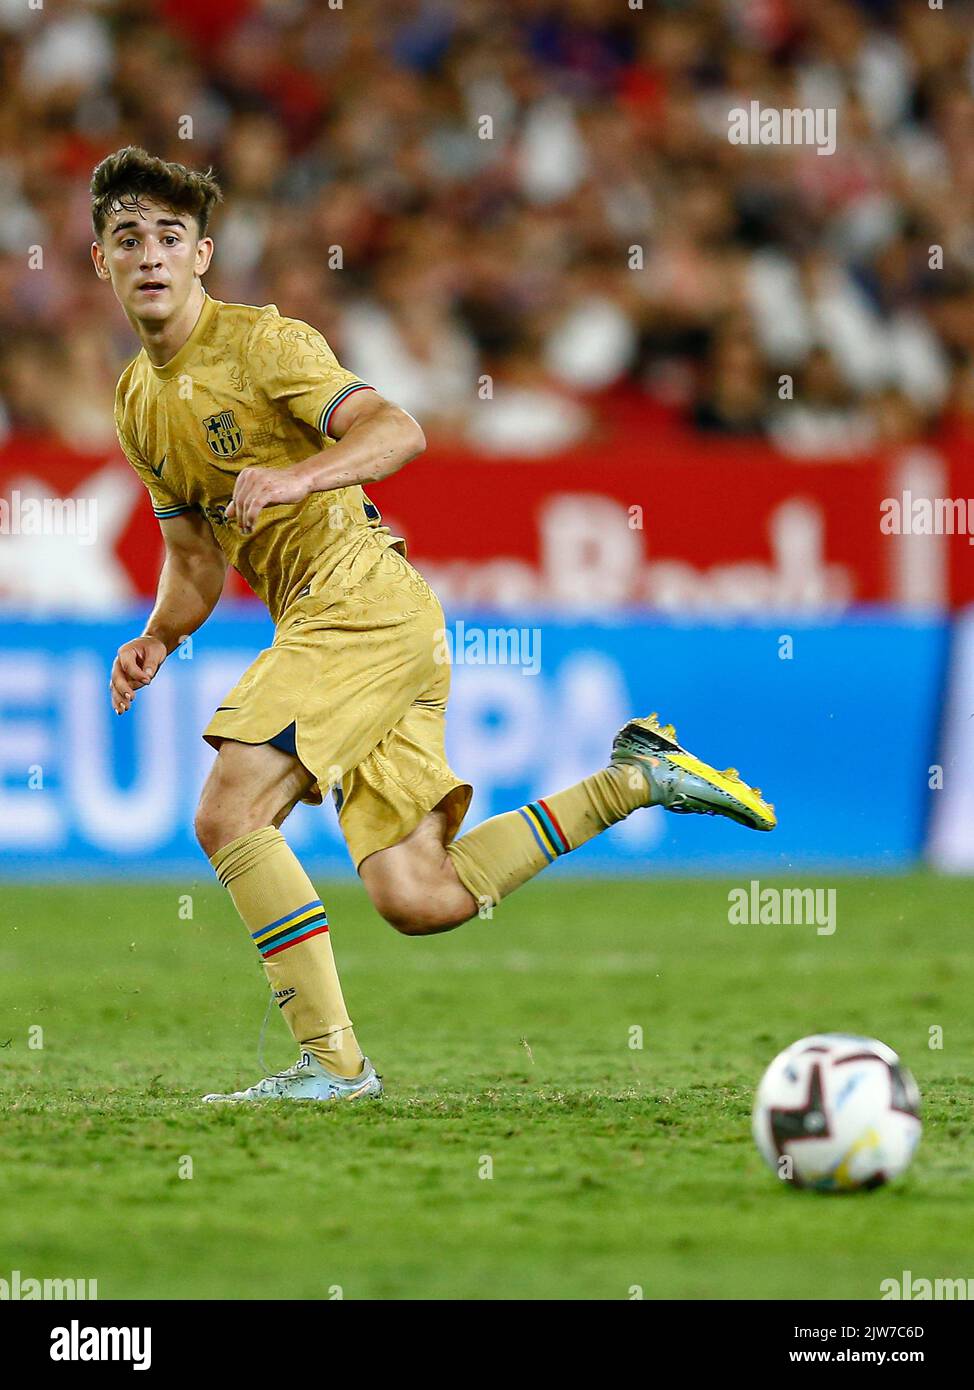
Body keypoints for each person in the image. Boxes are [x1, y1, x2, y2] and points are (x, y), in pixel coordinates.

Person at [94, 148, 775, 1104]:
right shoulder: (136, 402)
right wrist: (161, 636)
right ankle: (634, 779)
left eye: (171, 238)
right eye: (129, 240)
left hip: (358, 599)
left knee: (227, 811)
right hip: (371, 619)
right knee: (419, 896)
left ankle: (332, 1067)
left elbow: (398, 431)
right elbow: (198, 560)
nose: (151, 256)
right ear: (102, 264)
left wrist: (297, 475)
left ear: (204, 254)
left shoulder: (262, 345)